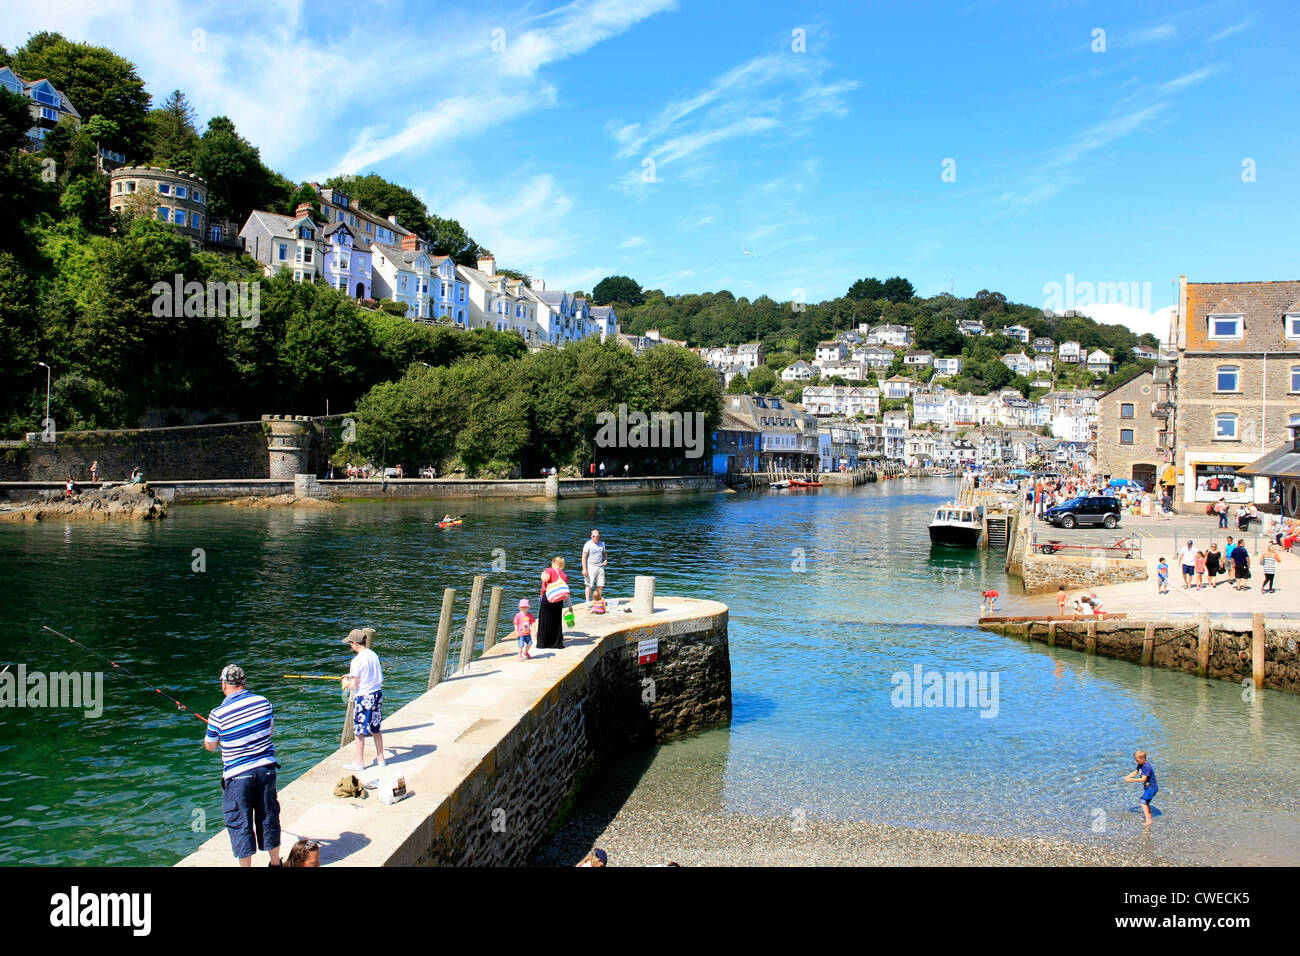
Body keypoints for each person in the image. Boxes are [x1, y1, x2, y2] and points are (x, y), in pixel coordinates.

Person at [204, 664, 282, 867]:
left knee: (240, 823)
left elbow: (210, 746)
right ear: (244, 682)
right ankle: (275, 863)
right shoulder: (264, 702)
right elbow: (269, 731)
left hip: (238, 776)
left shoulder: (217, 714)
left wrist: (222, 738)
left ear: (224, 685)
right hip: (266, 770)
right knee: (268, 816)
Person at [341, 628, 385, 771]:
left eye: (350, 643)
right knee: (376, 728)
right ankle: (381, 759)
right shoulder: (373, 655)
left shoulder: (356, 660)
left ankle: (359, 762)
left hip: (364, 697)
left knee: (359, 730)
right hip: (376, 694)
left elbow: (354, 685)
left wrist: (345, 683)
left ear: (355, 643)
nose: (350, 646)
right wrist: (351, 676)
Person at [536, 557, 572, 650]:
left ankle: (542, 643)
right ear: (562, 565)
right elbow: (567, 591)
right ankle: (556, 643)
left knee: (544, 620)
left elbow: (545, 579)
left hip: (548, 597)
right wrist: (570, 606)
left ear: (553, 563)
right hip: (559, 599)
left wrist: (542, 573)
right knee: (556, 621)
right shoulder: (564, 575)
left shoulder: (549, 570)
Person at [1123, 750, 1158, 826]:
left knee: (1143, 802)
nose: (1136, 762)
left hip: (1152, 787)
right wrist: (1128, 777)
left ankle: (1148, 820)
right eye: (1136, 760)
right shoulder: (1140, 765)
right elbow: (1135, 772)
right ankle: (1149, 817)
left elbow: (1143, 779)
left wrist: (1131, 780)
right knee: (1146, 802)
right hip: (1148, 787)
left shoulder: (1146, 767)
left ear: (1143, 759)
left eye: (1137, 760)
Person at [582, 529, 608, 608]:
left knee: (600, 585)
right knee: (589, 585)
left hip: (600, 566)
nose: (596, 537)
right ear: (591, 536)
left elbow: (604, 553)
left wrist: (605, 560)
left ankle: (598, 601)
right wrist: (584, 569)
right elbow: (584, 557)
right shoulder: (588, 544)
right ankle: (587, 602)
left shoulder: (602, 544)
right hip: (591, 566)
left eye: (597, 536)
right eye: (594, 536)